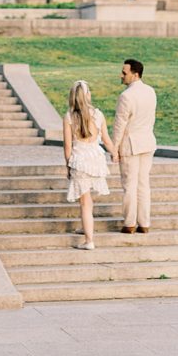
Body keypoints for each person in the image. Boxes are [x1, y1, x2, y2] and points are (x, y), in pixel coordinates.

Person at [62, 81, 113, 250]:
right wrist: (115, 152)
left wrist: (68, 166)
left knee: (84, 202)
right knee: (88, 200)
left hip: (80, 160)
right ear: (88, 95)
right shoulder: (98, 114)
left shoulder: (69, 116)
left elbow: (68, 146)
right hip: (96, 160)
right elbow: (106, 140)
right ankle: (86, 226)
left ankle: (89, 240)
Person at [109, 59, 157, 234]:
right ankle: (144, 223)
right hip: (148, 141)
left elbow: (119, 124)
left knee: (130, 185)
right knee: (143, 184)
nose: (121, 76)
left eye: (124, 72)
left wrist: (114, 148)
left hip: (131, 144)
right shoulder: (151, 91)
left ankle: (129, 223)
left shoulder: (126, 96)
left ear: (135, 74)